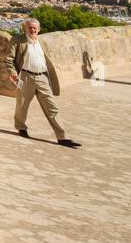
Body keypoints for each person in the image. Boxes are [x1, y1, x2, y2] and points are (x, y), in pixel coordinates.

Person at [9, 18, 80, 148]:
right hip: (25, 77)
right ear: (25, 28)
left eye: (35, 28)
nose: (32, 29)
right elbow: (9, 59)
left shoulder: (42, 42)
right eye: (30, 27)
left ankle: (62, 137)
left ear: (39, 29)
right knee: (22, 105)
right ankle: (21, 127)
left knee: (52, 106)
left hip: (42, 78)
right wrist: (12, 72)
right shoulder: (17, 40)